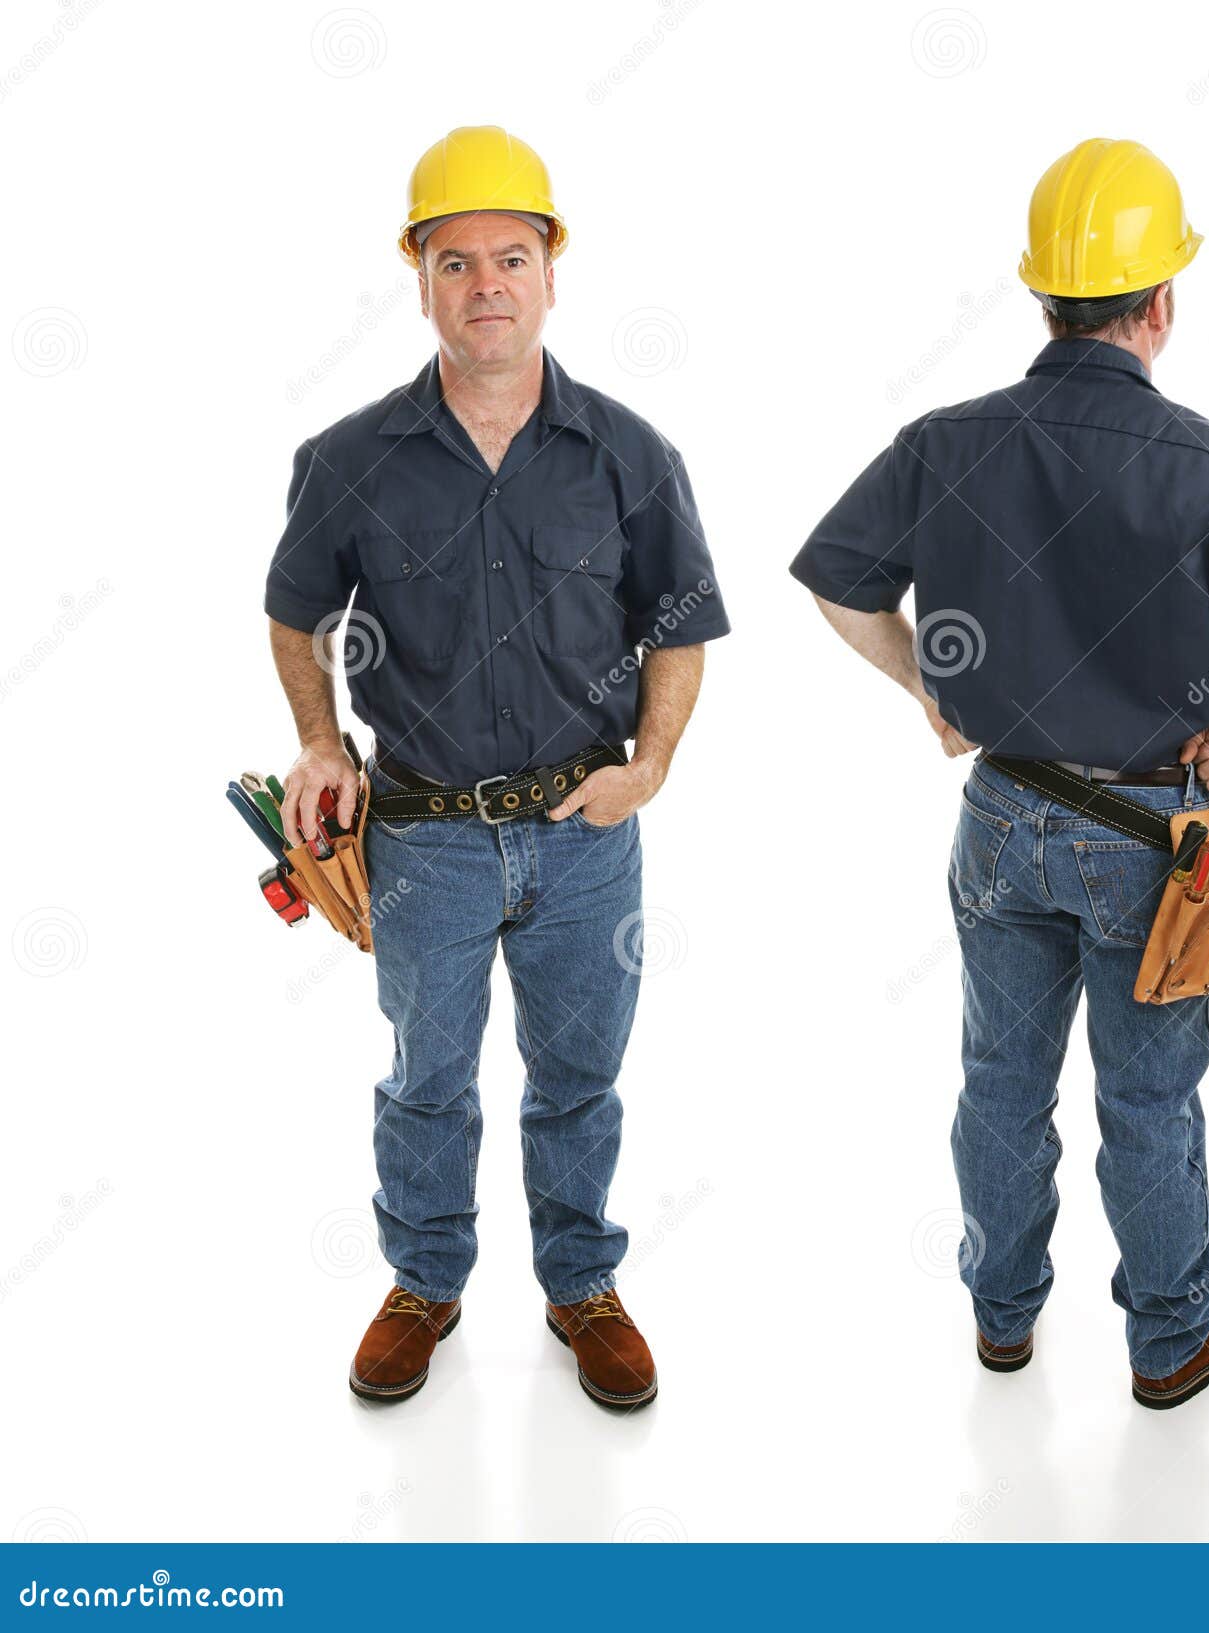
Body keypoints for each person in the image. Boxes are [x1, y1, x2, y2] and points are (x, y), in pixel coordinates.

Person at [790, 138, 1209, 1409]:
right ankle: (1170, 1337)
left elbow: (838, 580)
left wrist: (924, 687)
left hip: (1000, 816)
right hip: (1153, 844)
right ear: (1161, 301)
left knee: (999, 1078)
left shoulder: (943, 444)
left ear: (1041, 294)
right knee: (1148, 1098)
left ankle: (1003, 1317)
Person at [264, 125, 731, 1411]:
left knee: (579, 1078)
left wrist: (653, 767)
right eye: (455, 260)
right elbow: (295, 615)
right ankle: (425, 1281)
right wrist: (318, 739)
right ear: (419, 278)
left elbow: (680, 627)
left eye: (509, 257)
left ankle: (581, 1283)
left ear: (551, 271)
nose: (485, 285)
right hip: (424, 839)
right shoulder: (348, 460)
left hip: (587, 831)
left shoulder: (631, 456)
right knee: (427, 1077)